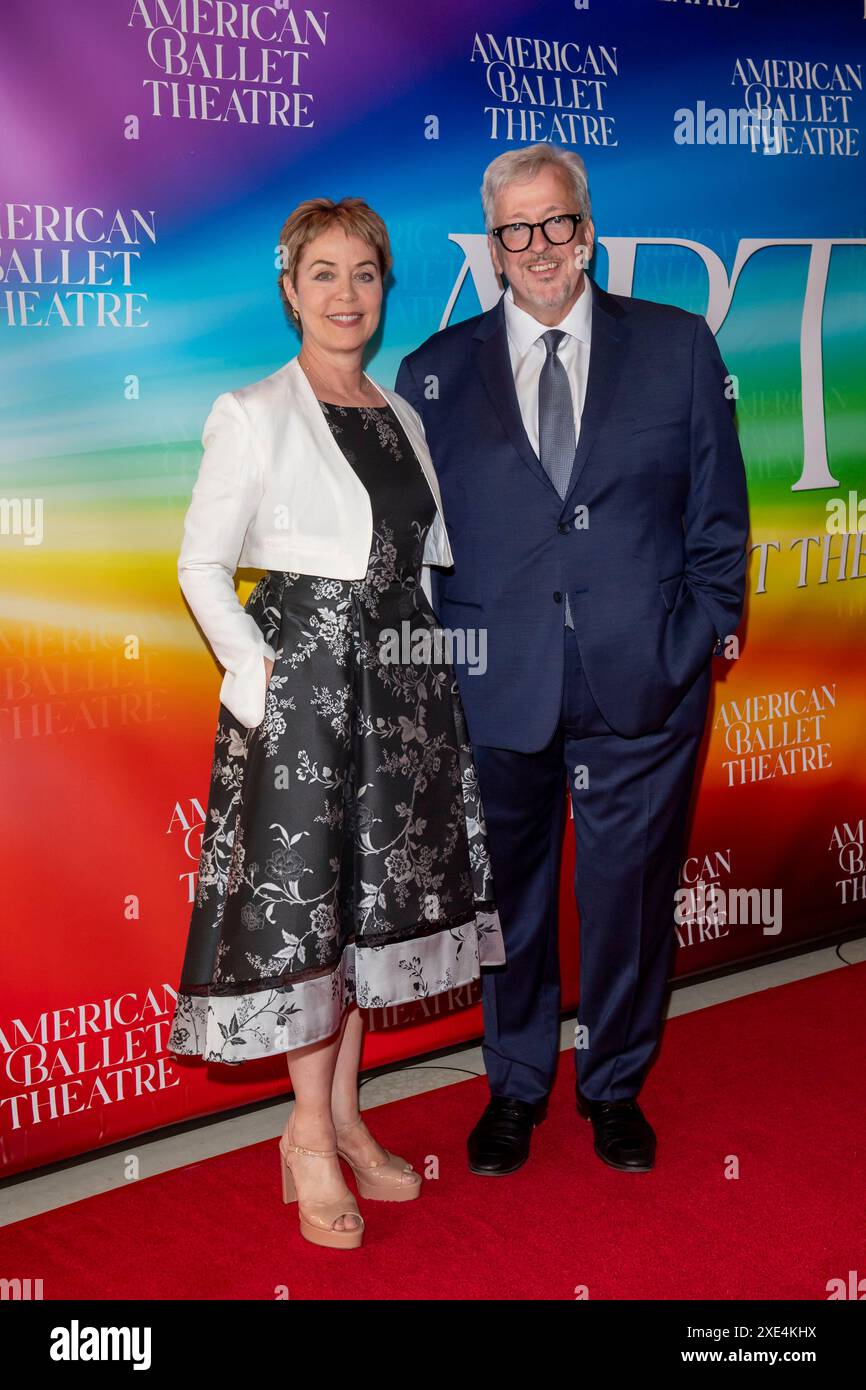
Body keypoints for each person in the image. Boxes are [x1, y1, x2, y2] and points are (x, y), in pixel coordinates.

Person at [396, 144, 749, 1177]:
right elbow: (410, 550)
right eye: (516, 230)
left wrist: (689, 647)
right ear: (493, 249)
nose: (540, 246)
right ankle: (513, 1087)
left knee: (630, 900)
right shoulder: (432, 371)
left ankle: (612, 1085)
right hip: (493, 692)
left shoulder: (680, 349)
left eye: (556, 224)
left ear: (584, 232)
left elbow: (718, 528)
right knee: (507, 905)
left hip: (642, 686)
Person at [167, 196, 505, 1248]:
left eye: (364, 273)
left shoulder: (397, 412)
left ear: (382, 287)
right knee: (309, 922)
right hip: (305, 699)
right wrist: (261, 677)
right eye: (323, 273)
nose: (345, 294)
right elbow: (201, 566)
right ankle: (307, 1133)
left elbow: (418, 563)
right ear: (289, 288)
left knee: (365, 917)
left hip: (399, 688)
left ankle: (345, 1115)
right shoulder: (251, 410)